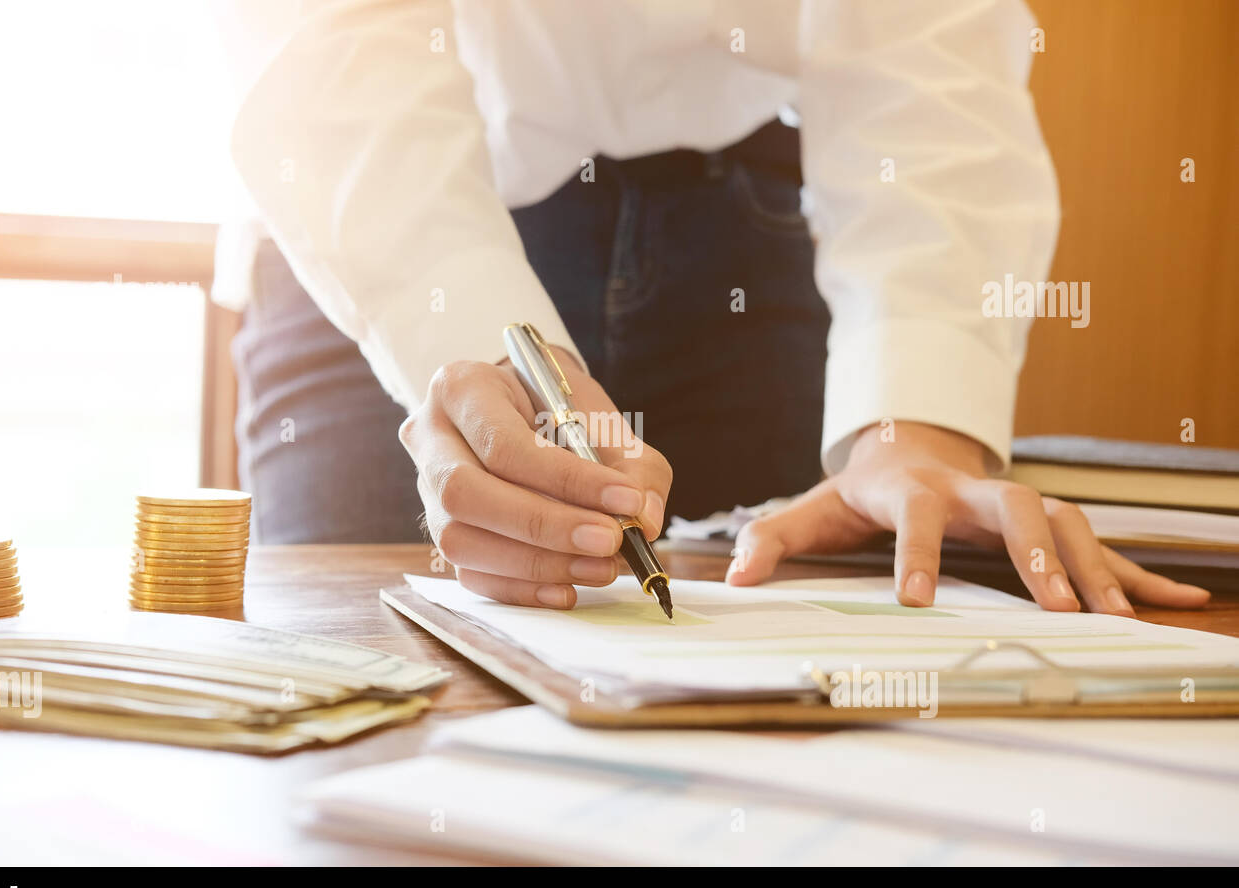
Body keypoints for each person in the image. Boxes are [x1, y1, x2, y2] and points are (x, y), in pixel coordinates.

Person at [211, 0, 1210, 616]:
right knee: (360, 690)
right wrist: (465, 342)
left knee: (752, 722)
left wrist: (912, 424)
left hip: (747, 226)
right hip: (382, 222)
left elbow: (925, 39)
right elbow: (329, 39)